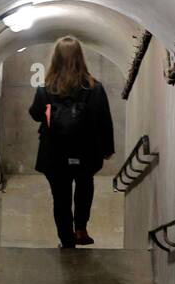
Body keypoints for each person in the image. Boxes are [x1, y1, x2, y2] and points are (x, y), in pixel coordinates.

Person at [28, 36, 115, 248]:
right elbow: (103, 119)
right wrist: (107, 148)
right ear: (80, 58)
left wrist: (51, 110)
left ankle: (67, 240)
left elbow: (36, 114)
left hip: (54, 152)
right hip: (86, 150)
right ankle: (81, 228)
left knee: (60, 197)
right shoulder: (94, 88)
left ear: (55, 59)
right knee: (85, 185)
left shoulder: (45, 88)